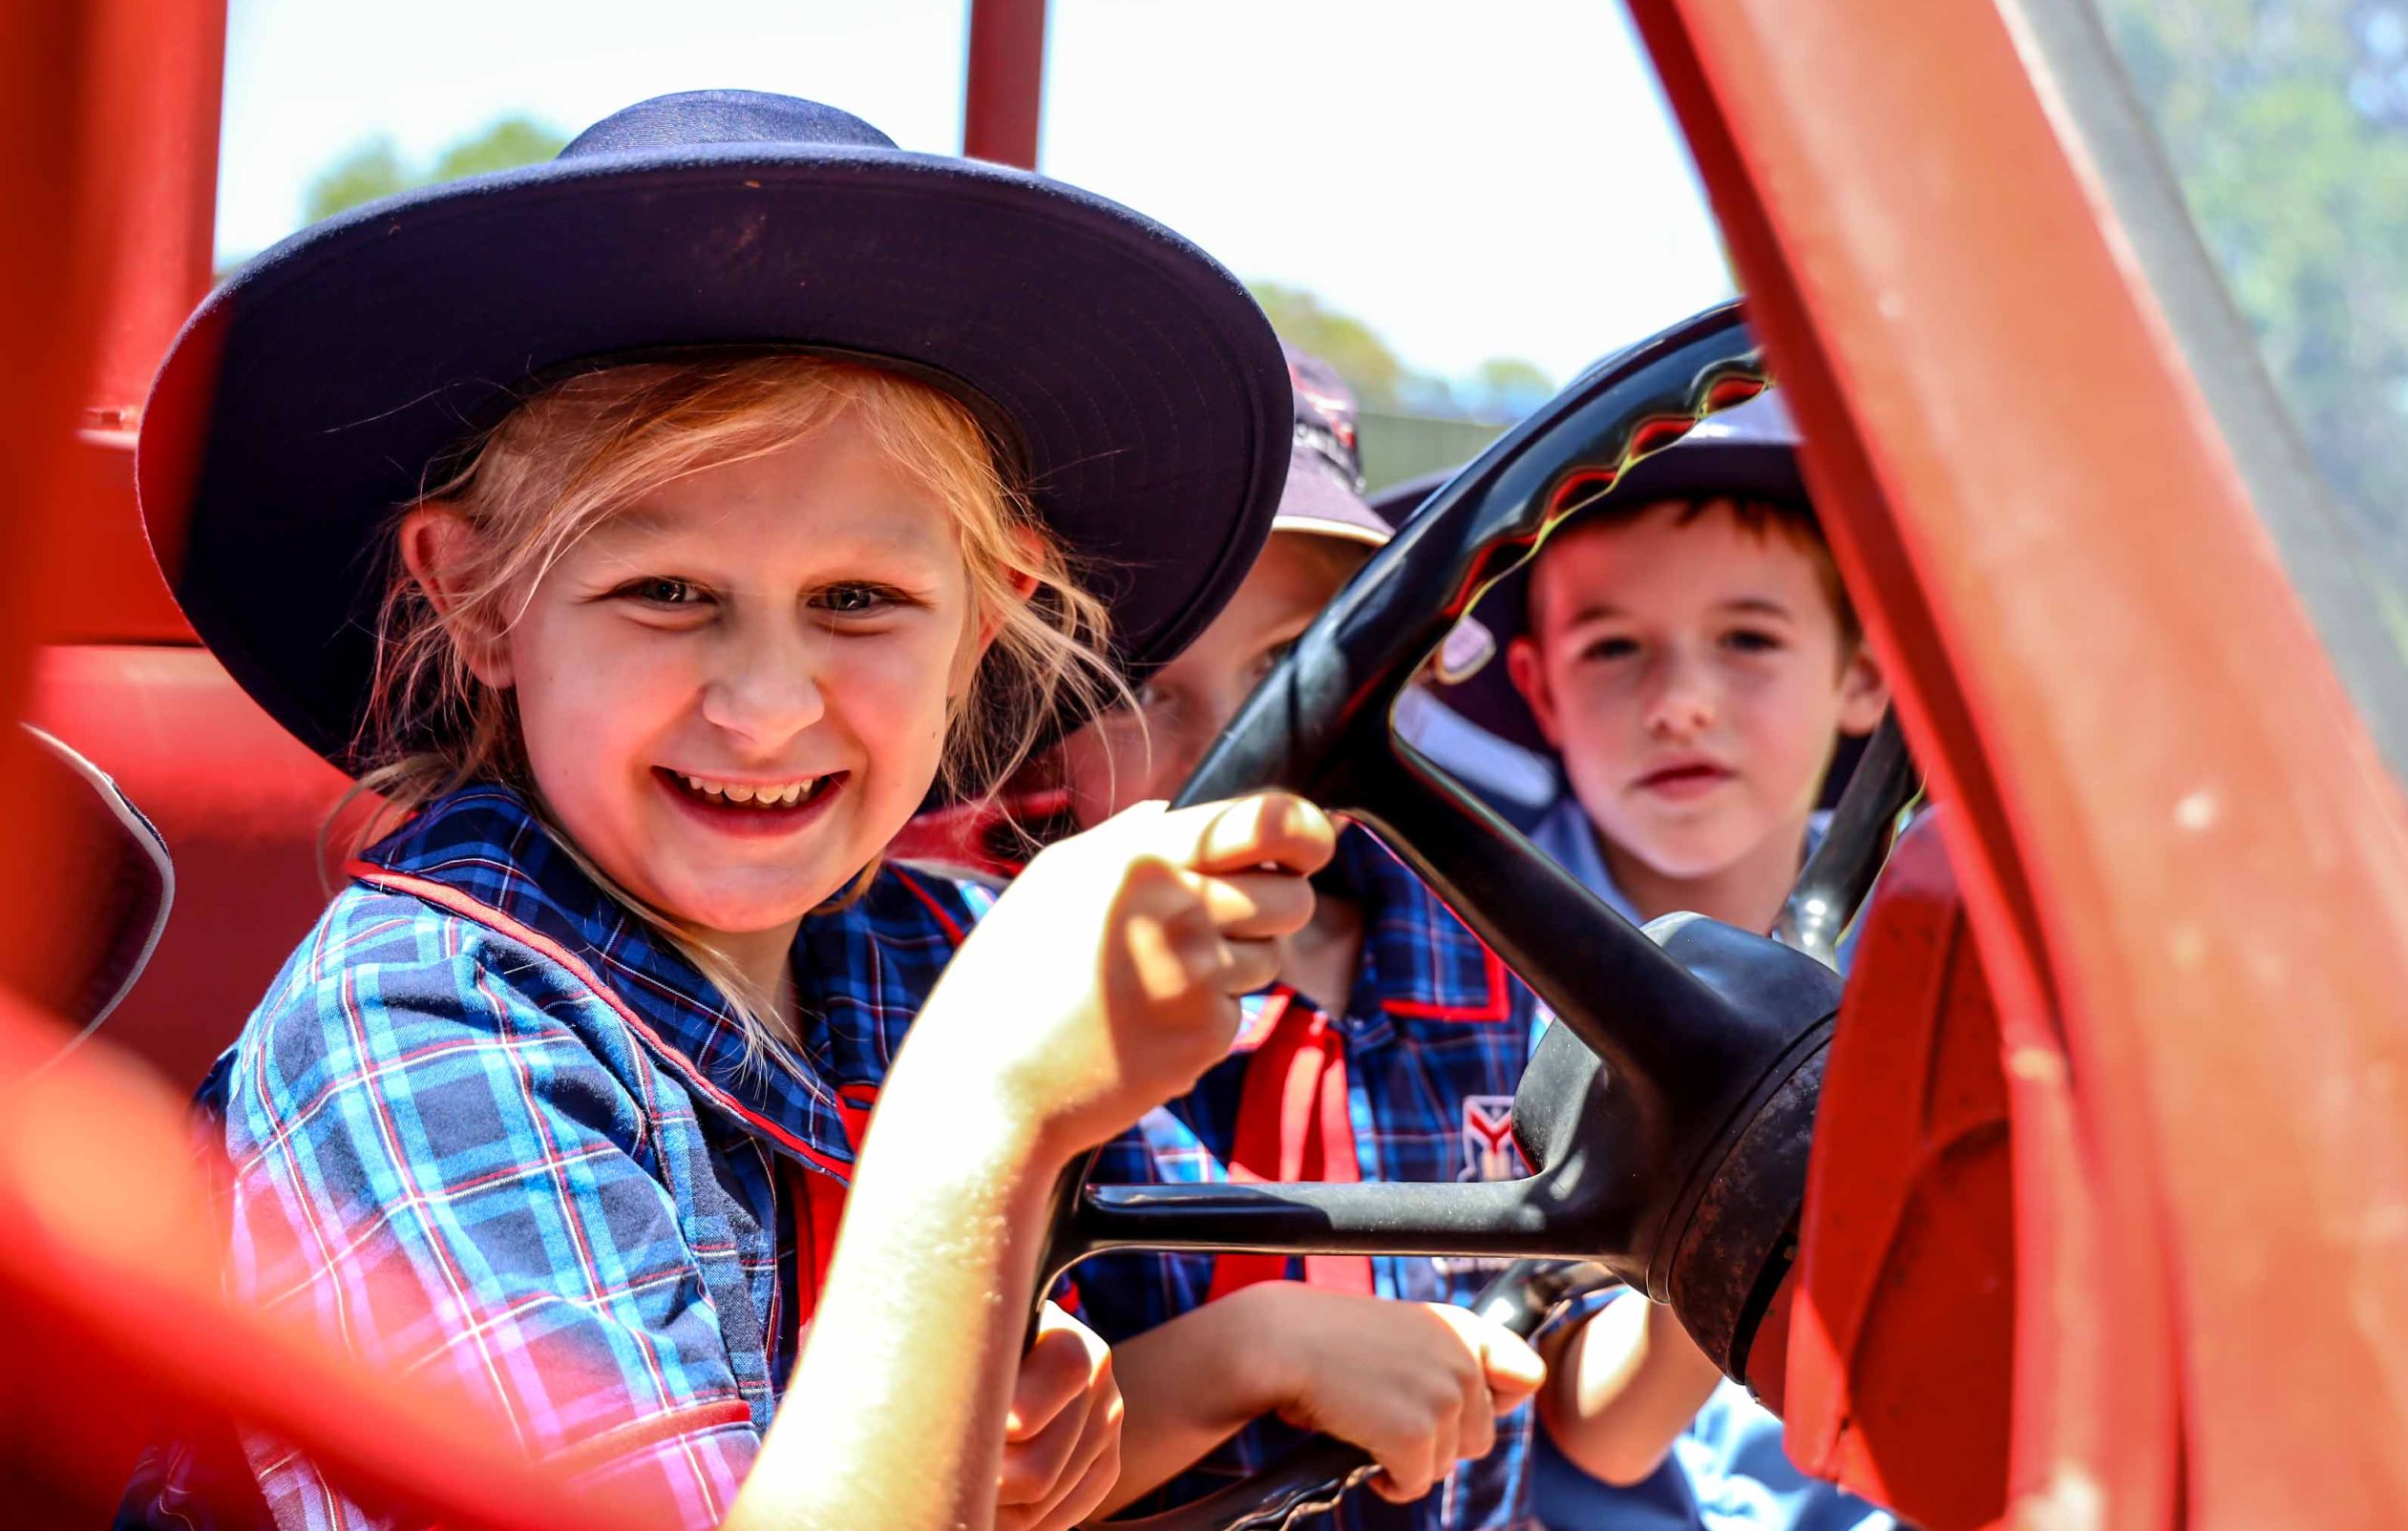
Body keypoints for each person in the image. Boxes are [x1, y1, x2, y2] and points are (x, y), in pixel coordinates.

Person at [115, 89, 1337, 1531]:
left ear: (989, 615)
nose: (764, 703)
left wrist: (1050, 1401)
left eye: (859, 601)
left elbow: (1213, 1269)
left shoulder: (926, 946)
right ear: (477, 597)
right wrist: (983, 1122)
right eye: (667, 593)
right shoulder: (419, 1032)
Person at [1000, 348, 1726, 1529]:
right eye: (1140, 686)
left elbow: (1588, 1407)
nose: (1231, 754)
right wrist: (1240, 1356)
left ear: (1389, 682)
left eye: (1290, 672)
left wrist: (1737, 1194)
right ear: (1040, 713)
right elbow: (960, 1475)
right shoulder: (987, 992)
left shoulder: (1497, 969)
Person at [1416, 383, 1900, 1531]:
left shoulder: (1959, 943)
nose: (1679, 703)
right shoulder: (1460, 974)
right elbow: (1589, 1420)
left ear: (1863, 676)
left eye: (1746, 639)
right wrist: (1760, 1163)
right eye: (1615, 648)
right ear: (1538, 688)